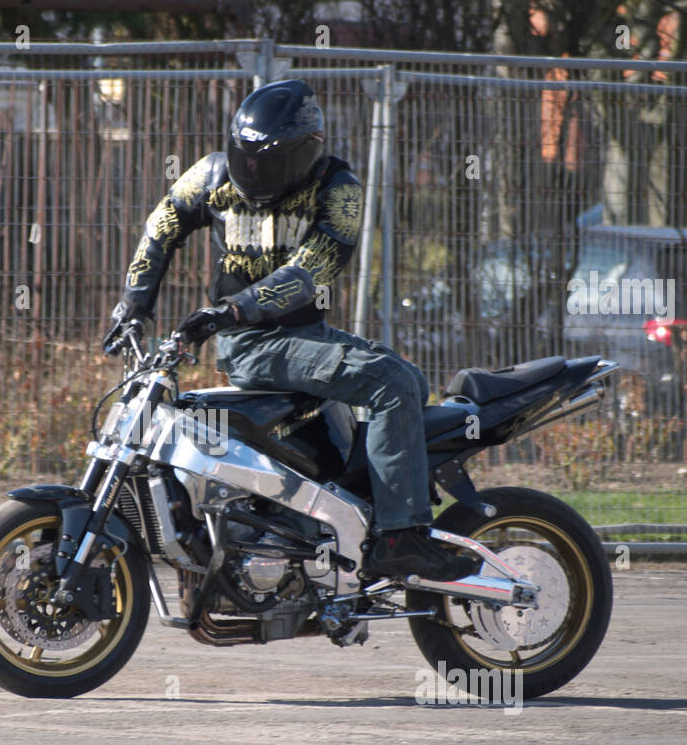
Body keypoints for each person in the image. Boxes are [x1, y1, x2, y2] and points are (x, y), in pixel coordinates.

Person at [103, 79, 471, 583]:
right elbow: (161, 227)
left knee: (407, 378)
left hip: (291, 335)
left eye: (267, 161)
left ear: (306, 153)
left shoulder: (339, 189)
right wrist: (133, 303)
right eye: (245, 157)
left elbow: (309, 272)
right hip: (257, 348)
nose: (253, 170)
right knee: (394, 384)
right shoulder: (210, 174)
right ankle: (400, 538)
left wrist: (227, 312)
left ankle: (350, 513)